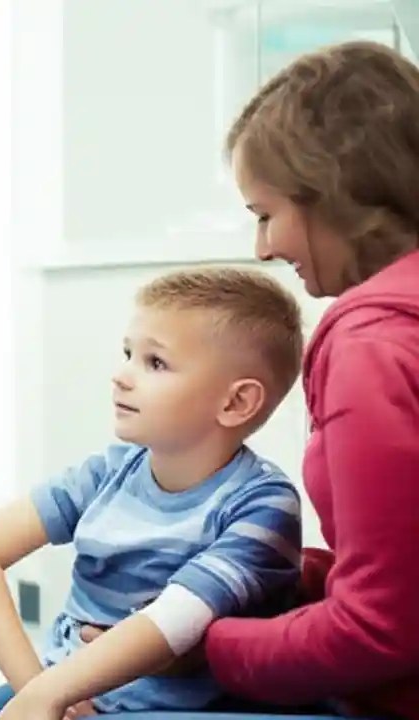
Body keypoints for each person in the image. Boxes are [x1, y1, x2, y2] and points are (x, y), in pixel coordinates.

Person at [0, 267, 306, 719]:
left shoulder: (262, 505)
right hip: (82, 695)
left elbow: (174, 621)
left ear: (235, 403)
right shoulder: (107, 472)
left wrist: (48, 696)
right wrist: (36, 692)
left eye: (155, 362)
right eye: (127, 354)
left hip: (188, 708)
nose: (121, 376)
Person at [189, 40, 419, 719]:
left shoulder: (373, 345)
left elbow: (381, 632)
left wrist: (200, 642)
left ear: (333, 197)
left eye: (266, 214)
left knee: (13, 703)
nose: (261, 247)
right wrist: (290, 577)